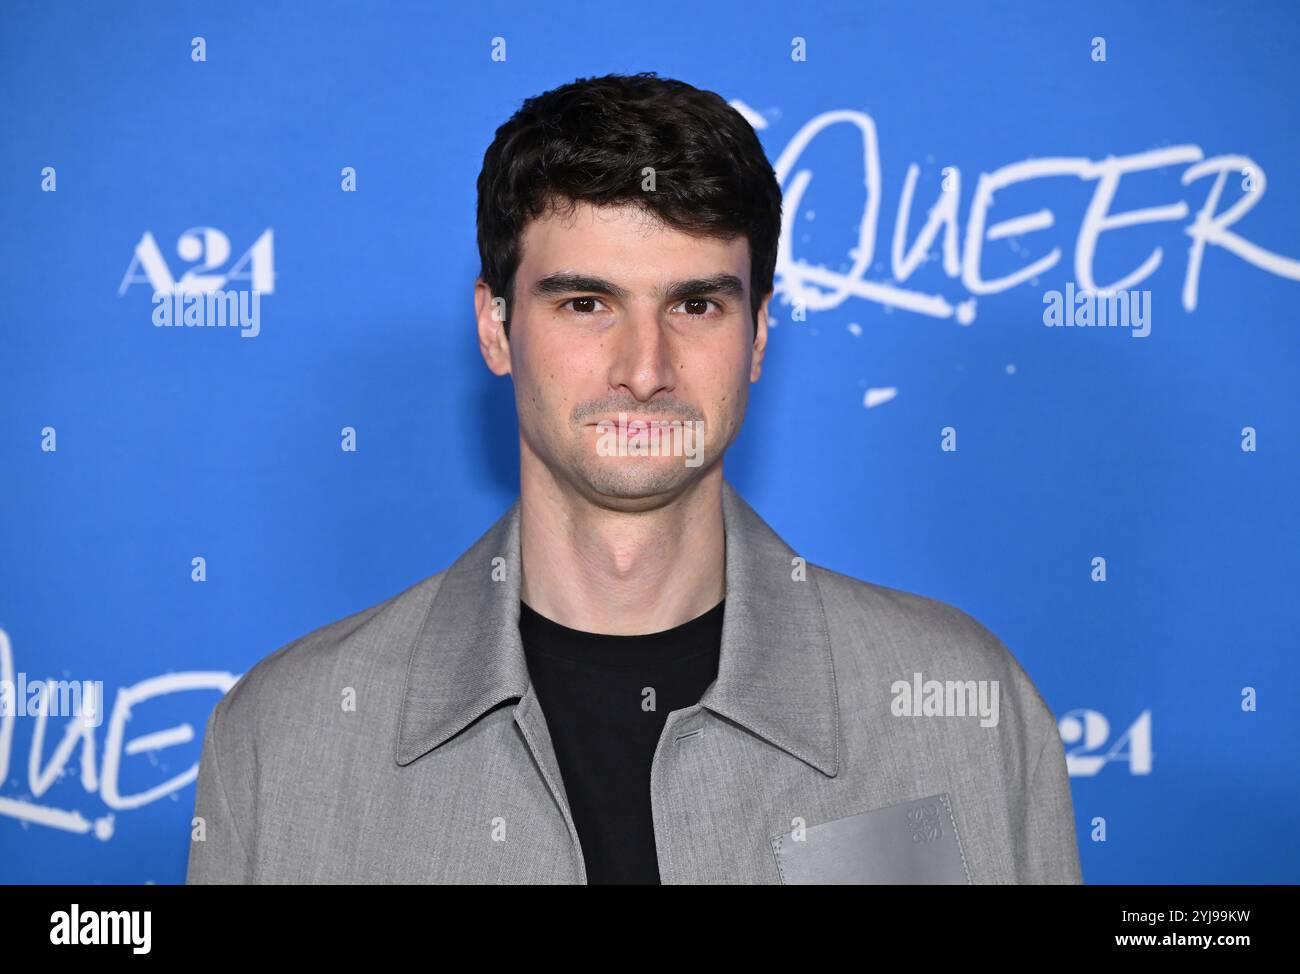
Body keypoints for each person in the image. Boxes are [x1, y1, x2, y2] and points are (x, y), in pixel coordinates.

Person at [186, 72, 1082, 885]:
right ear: (495, 329)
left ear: (760, 334)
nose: (644, 367)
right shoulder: (284, 741)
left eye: (696, 305)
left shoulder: (966, 708)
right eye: (586, 304)